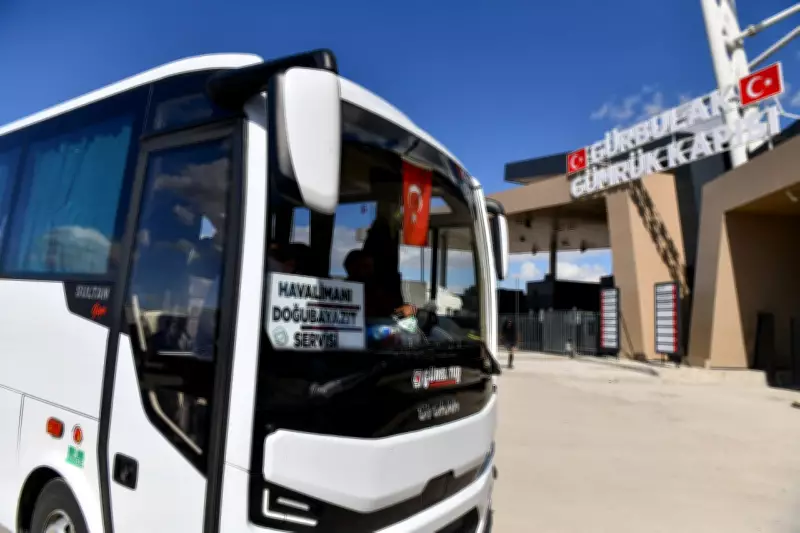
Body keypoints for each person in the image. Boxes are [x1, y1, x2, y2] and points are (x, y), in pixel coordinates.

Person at [344, 248, 416, 318]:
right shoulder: (344, 291)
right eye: (365, 266)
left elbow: (387, 311)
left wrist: (402, 310)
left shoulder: (375, 290)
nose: (370, 271)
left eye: (371, 267)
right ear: (352, 268)